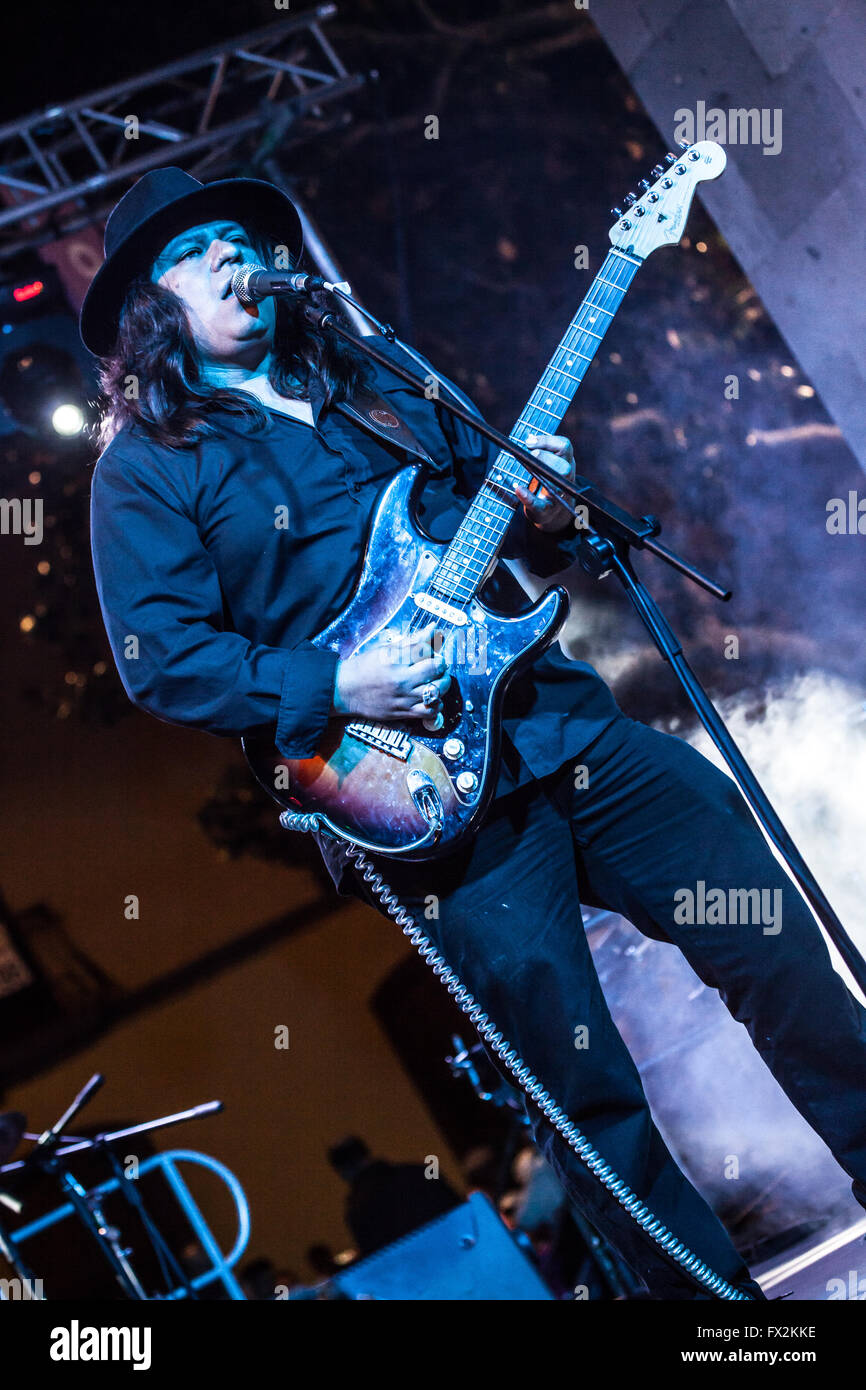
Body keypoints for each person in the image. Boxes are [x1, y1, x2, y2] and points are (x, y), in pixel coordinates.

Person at [85, 167, 866, 1300]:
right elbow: (164, 663)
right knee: (583, 1091)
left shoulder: (372, 380)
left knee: (774, 940)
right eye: (192, 249)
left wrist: (546, 508)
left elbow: (497, 524)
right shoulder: (145, 469)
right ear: (153, 308)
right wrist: (335, 676)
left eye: (233, 235)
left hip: (557, 724)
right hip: (425, 804)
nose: (226, 254)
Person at [327, 1136, 461, 1257]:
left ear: (341, 1171)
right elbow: (460, 1210)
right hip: (461, 1253)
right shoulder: (422, 1171)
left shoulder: (357, 1210)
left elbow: (379, 1260)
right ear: (367, 1154)